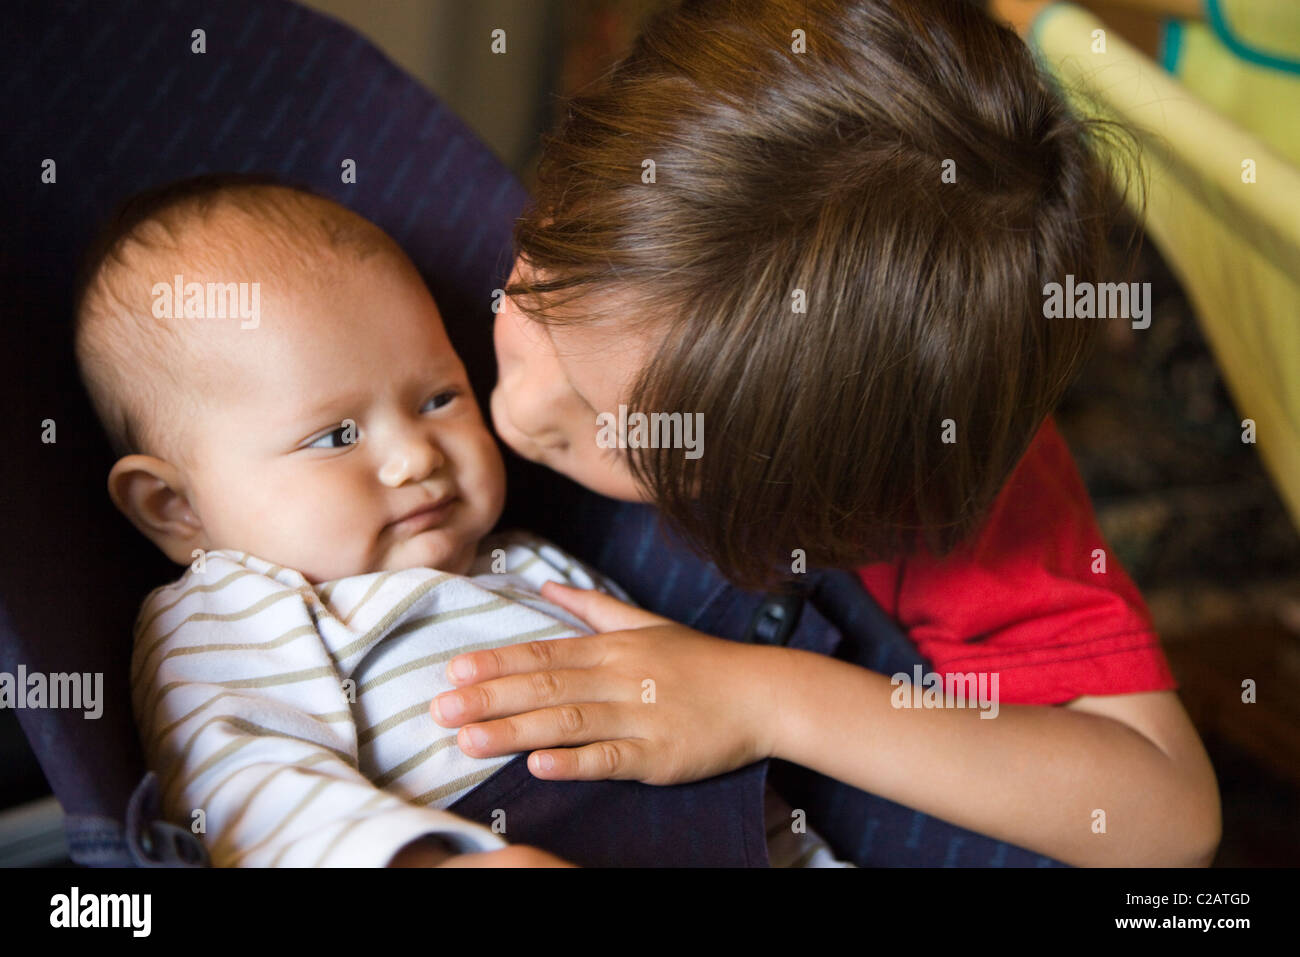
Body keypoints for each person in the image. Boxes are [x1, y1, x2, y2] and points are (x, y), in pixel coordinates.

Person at [465, 0, 1222, 866]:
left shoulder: (944, 497)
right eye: (535, 294)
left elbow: (1172, 817)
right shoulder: (626, 214)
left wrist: (766, 699)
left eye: (615, 429)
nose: (522, 410)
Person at [73, 176, 846, 867]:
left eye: (438, 397)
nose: (416, 456)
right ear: (175, 507)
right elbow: (246, 790)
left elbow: (700, 721)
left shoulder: (535, 566)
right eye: (337, 435)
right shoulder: (236, 608)